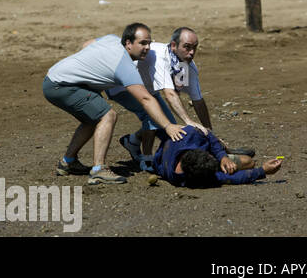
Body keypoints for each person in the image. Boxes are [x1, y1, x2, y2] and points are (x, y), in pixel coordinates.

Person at [43, 23, 186, 185]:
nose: (147, 47)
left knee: (91, 119)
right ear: (128, 43)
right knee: (107, 115)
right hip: (61, 85)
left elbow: (87, 44)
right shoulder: (124, 66)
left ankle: (68, 162)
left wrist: (87, 66)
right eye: (142, 43)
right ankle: (99, 170)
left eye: (149, 43)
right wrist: (168, 126)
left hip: (55, 78)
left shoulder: (112, 39)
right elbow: (146, 99)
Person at [105, 26, 252, 171]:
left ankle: (133, 141)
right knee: (152, 117)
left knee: (172, 128)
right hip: (122, 88)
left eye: (195, 47)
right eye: (187, 47)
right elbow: (169, 94)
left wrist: (211, 135)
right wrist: (188, 121)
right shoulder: (160, 56)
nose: (191, 52)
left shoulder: (186, 65)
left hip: (148, 91)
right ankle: (147, 158)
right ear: (174, 45)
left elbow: (198, 101)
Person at [152, 125, 282, 188]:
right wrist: (262, 171)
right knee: (248, 162)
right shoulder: (187, 179)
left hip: (173, 146)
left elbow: (208, 134)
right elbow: (226, 178)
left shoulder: (188, 134)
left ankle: (226, 151)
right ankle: (229, 152)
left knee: (245, 161)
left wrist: (222, 157)